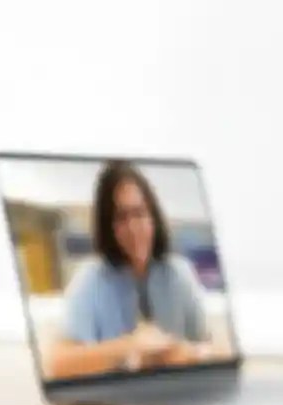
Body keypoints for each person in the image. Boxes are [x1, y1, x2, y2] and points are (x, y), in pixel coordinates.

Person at [47, 160, 212, 379]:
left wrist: (187, 355)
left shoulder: (179, 273)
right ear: (108, 226)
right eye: (121, 218)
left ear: (154, 217)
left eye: (140, 213)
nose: (133, 228)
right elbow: (57, 365)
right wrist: (130, 346)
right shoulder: (90, 280)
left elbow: (212, 349)